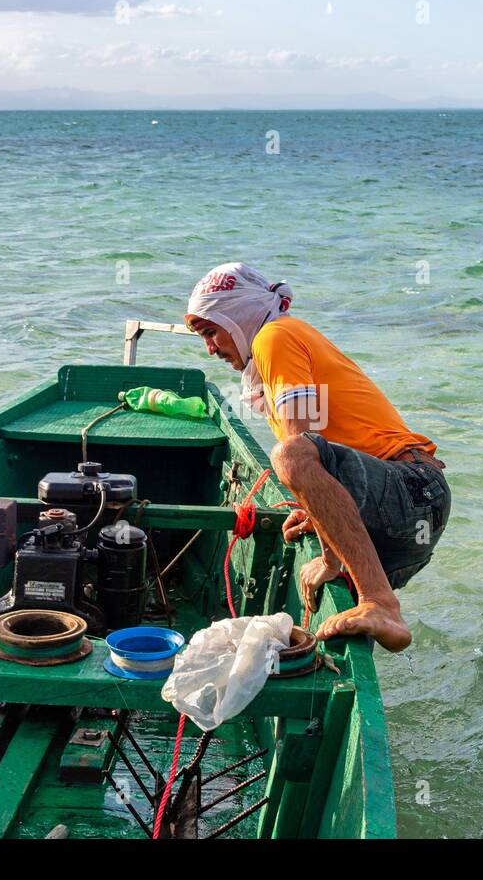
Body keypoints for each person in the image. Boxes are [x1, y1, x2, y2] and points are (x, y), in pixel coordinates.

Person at [185, 262, 451, 652]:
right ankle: (372, 602)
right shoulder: (278, 343)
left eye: (211, 331)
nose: (210, 349)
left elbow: (302, 444)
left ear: (239, 315)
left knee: (289, 454)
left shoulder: (275, 336)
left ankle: (380, 603)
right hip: (404, 512)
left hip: (411, 492)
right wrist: (317, 512)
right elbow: (324, 455)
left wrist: (329, 560)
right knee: (293, 457)